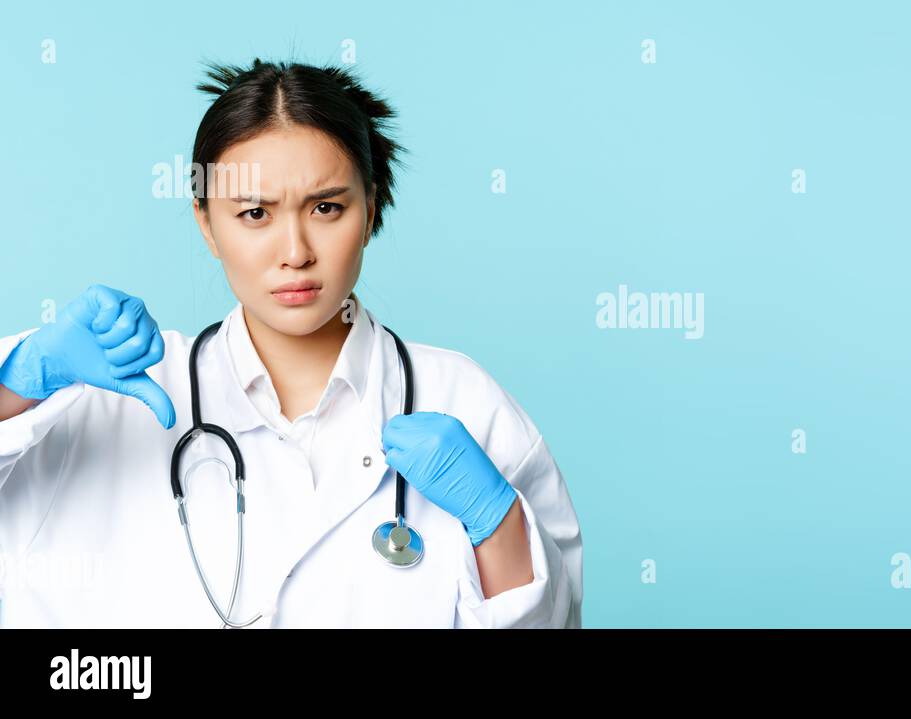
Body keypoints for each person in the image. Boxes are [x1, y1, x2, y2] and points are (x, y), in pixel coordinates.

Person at [0, 59, 581, 628]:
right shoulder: (114, 395)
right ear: (206, 223)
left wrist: (497, 522)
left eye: (326, 207)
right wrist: (16, 384)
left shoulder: (463, 401)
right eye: (255, 213)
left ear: (371, 206)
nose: (295, 250)